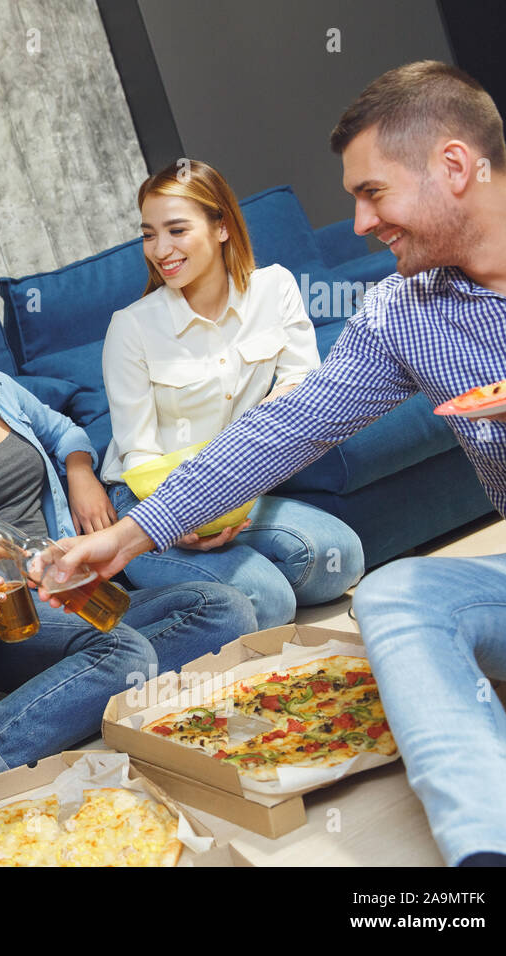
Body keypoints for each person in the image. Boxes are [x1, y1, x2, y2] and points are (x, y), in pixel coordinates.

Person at [46, 61, 506, 867]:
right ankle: (493, 854)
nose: (359, 222)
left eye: (372, 192)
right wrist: (130, 536)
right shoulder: (402, 313)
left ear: (453, 168)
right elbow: (284, 428)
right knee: (396, 590)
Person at [0, 236, 258, 865]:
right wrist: (1, 564)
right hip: (4, 614)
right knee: (124, 649)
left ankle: (50, 703)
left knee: (225, 607)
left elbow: (64, 430)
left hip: (69, 586)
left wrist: (81, 471)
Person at [101, 159, 365, 628]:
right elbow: (138, 453)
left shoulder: (275, 287)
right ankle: (190, 580)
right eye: (148, 234)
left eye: (176, 230)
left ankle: (236, 564)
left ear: (221, 226)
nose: (160, 250)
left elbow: (303, 382)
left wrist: (269, 413)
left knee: (338, 559)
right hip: (152, 500)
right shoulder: (131, 327)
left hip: (238, 485)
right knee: (268, 602)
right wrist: (179, 520)